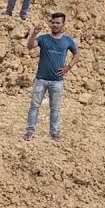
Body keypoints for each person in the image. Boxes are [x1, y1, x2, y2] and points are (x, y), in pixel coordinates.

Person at [25, 12, 80, 141]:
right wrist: (34, 34)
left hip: (57, 81)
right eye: (53, 22)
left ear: (63, 24)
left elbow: (76, 53)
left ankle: (54, 132)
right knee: (34, 106)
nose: (55, 25)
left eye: (57, 23)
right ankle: (30, 131)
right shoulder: (43, 38)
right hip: (41, 79)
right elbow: (30, 46)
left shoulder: (67, 40)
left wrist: (68, 67)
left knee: (55, 108)